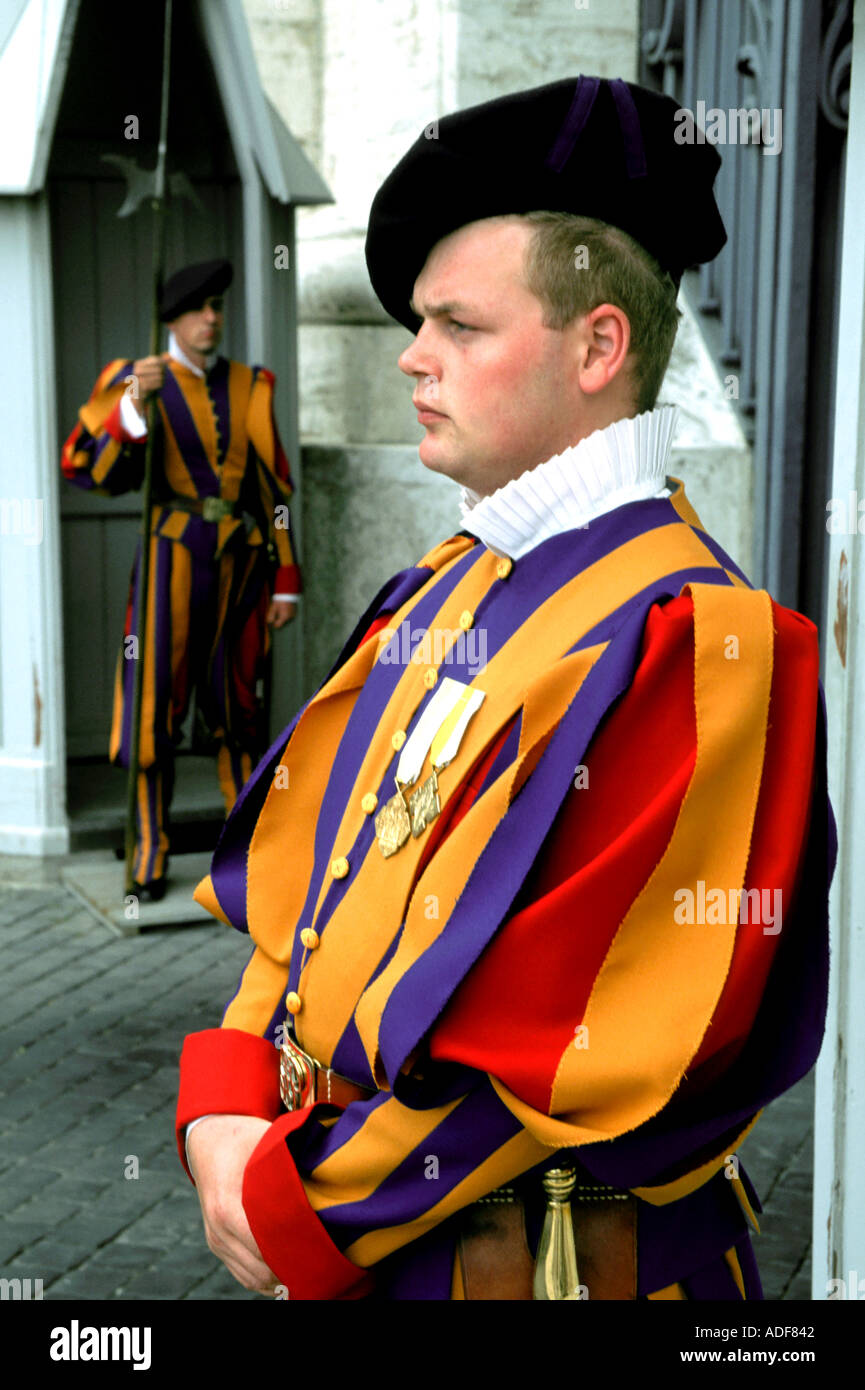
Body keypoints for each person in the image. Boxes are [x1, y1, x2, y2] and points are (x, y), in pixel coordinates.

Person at [175, 77, 835, 1300]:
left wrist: (283, 1191)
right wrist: (224, 1096)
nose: (413, 360)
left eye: (458, 327)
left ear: (598, 346)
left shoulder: (705, 643)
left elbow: (561, 1054)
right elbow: (314, 897)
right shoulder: (439, 587)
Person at [61, 259, 302, 900]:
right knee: (151, 710)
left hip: (242, 570)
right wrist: (133, 408)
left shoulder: (252, 384)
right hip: (169, 565)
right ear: (172, 318)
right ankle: (148, 856)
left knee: (239, 712)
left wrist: (287, 574)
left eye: (217, 306)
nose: (211, 319)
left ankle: (247, 858)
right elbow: (88, 472)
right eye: (198, 309)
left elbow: (275, 490)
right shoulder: (133, 380)